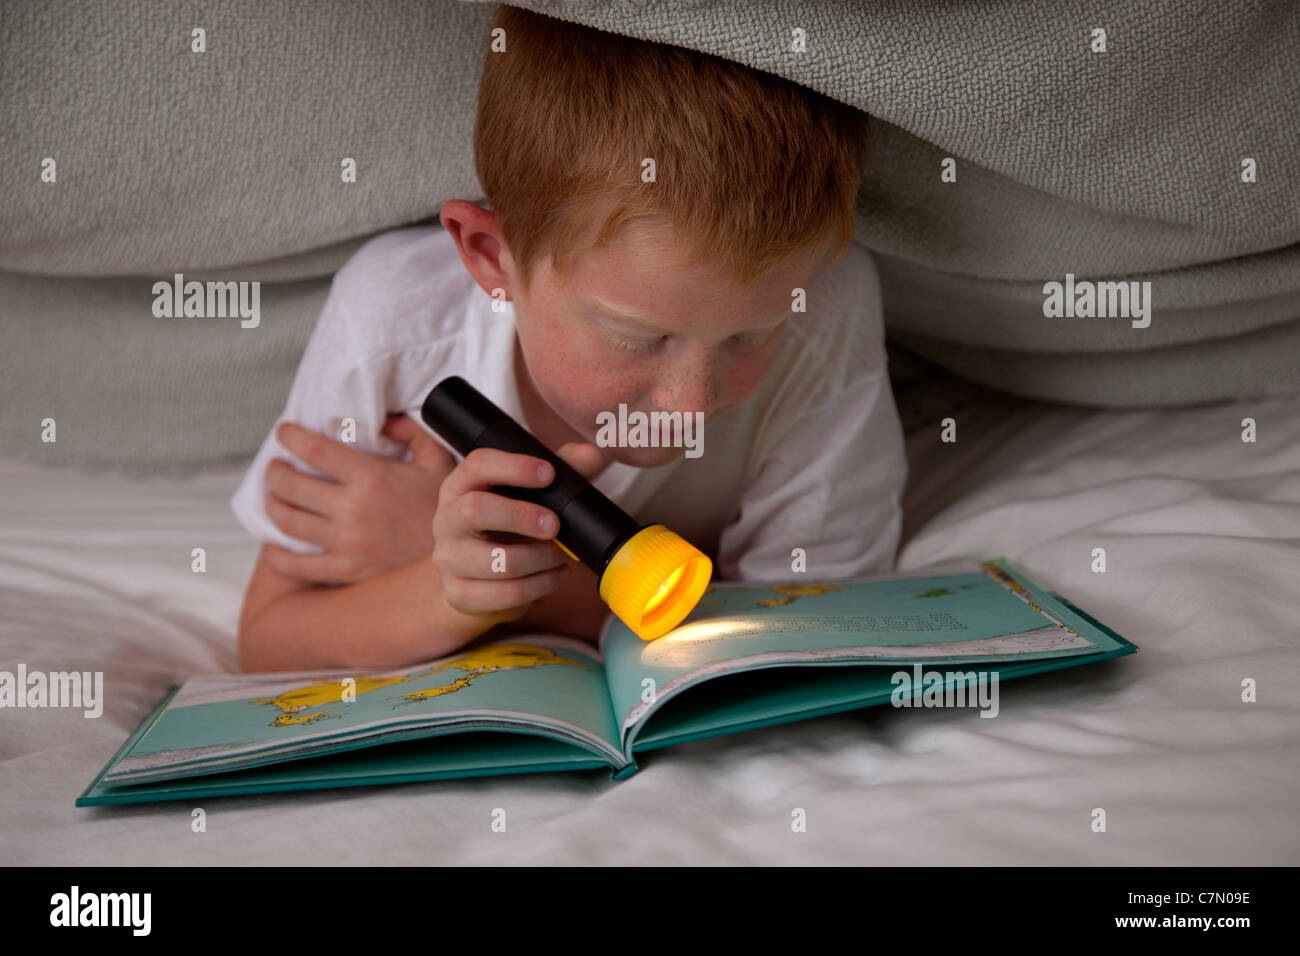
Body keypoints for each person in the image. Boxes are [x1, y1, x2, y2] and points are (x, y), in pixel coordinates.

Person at [230, 5, 907, 673]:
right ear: (493, 258)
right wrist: (444, 588)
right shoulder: (391, 327)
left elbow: (814, 632)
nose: (690, 406)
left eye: (751, 336)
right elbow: (267, 638)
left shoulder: (821, 304)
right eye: (633, 335)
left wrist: (515, 586)